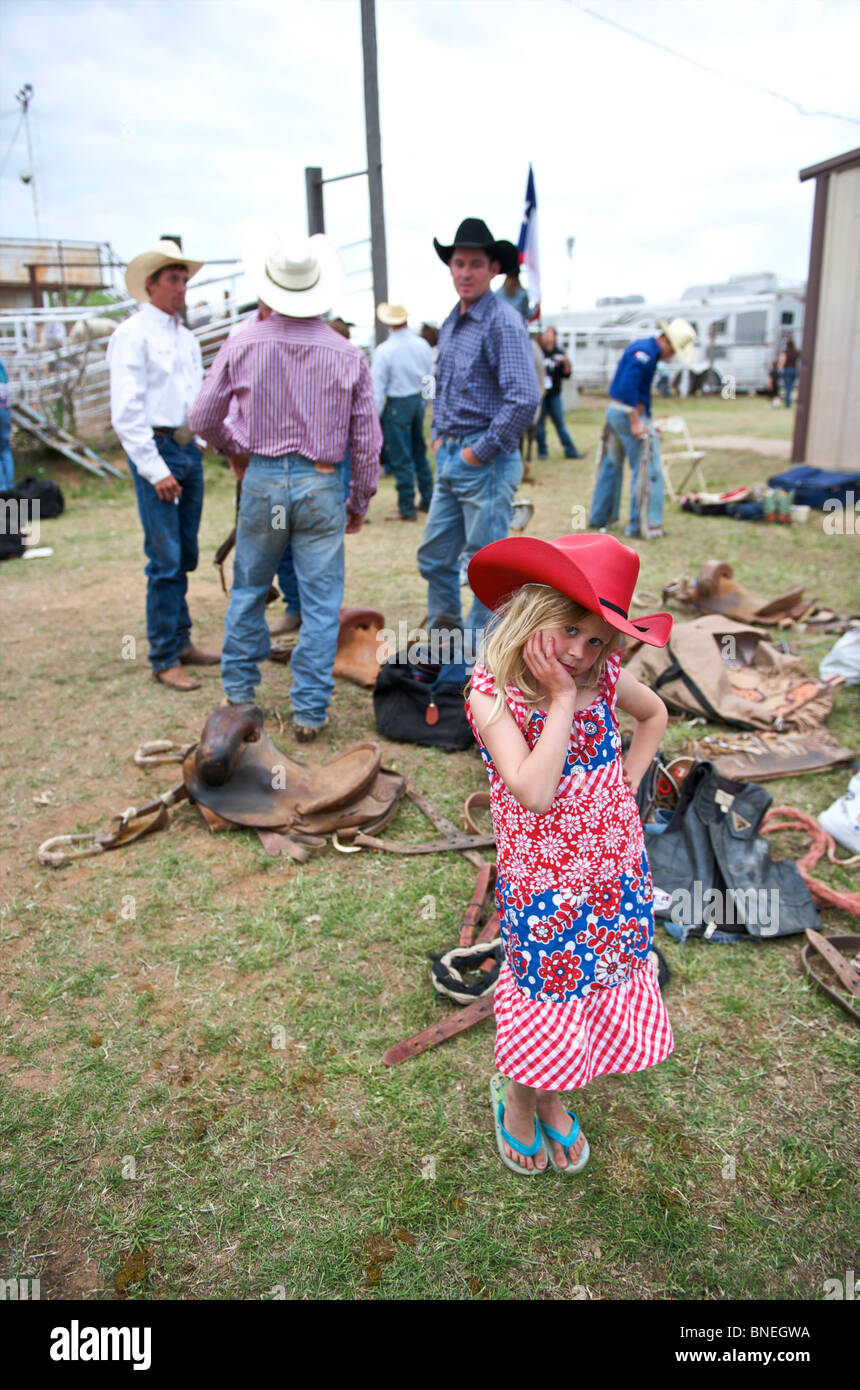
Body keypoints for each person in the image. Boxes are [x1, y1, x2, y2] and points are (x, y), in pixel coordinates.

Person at [464, 532, 674, 1173]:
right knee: (547, 992)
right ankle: (521, 1101)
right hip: (545, 883)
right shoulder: (491, 693)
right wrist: (560, 700)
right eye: (570, 631)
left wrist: (624, 787)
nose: (582, 654)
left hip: (612, 870)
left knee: (585, 988)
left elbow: (656, 716)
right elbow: (531, 790)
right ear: (532, 612)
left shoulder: (606, 674)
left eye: (597, 640)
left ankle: (553, 1096)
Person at [189, 232, 381, 741]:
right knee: (320, 602)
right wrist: (359, 500)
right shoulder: (346, 354)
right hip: (320, 484)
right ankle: (310, 712)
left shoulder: (243, 341)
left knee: (250, 590)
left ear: (271, 287)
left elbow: (202, 416)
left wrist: (236, 448)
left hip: (266, 480)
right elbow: (366, 441)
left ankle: (239, 694)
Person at [418, 218, 540, 640]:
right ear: (449, 268)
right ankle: (447, 643)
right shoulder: (452, 321)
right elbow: (442, 382)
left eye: (475, 264)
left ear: (492, 270)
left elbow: (524, 397)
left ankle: (477, 668)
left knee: (485, 572)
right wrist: (438, 434)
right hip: (451, 454)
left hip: (481, 459)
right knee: (435, 557)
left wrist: (478, 452)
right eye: (458, 263)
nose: (465, 272)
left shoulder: (502, 321)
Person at [108, 237, 219, 690]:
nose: (181, 287)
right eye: (173, 279)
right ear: (151, 285)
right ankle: (163, 654)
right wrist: (155, 468)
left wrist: (202, 442)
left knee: (185, 553)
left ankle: (179, 640)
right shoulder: (132, 334)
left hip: (186, 447)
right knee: (166, 558)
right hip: (158, 449)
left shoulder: (185, 338)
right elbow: (126, 410)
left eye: (183, 279)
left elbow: (195, 397)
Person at [588, 318, 694, 540]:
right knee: (648, 468)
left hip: (616, 411)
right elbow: (628, 387)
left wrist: (647, 420)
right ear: (666, 342)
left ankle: (602, 517)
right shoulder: (645, 353)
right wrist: (637, 421)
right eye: (673, 349)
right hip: (626, 413)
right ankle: (644, 524)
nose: (672, 355)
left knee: (612, 465)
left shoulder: (644, 350)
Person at [371, 302, 434, 521]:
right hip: (417, 402)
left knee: (401, 457)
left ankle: (406, 507)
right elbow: (430, 377)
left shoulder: (384, 350)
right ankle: (428, 499)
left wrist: (374, 417)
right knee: (419, 453)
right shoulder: (422, 345)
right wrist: (426, 404)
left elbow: (377, 387)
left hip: (397, 405)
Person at [536, 326, 585, 459]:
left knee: (560, 424)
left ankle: (570, 451)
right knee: (539, 425)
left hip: (554, 395)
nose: (547, 337)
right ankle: (542, 452)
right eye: (545, 334)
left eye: (550, 334)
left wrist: (566, 363)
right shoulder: (538, 351)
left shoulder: (560, 352)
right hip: (540, 395)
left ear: (555, 337)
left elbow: (567, 375)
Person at [0, 358, 14, 490]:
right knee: (5, 448)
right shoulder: (1, 362)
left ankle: (1, 488)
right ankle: (9, 486)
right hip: (4, 407)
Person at [781, 336, 799, 407]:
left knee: (787, 387)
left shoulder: (786, 352)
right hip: (794, 370)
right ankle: (789, 401)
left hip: (787, 370)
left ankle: (788, 403)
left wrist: (781, 369)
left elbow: (783, 361)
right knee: (791, 387)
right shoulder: (796, 352)